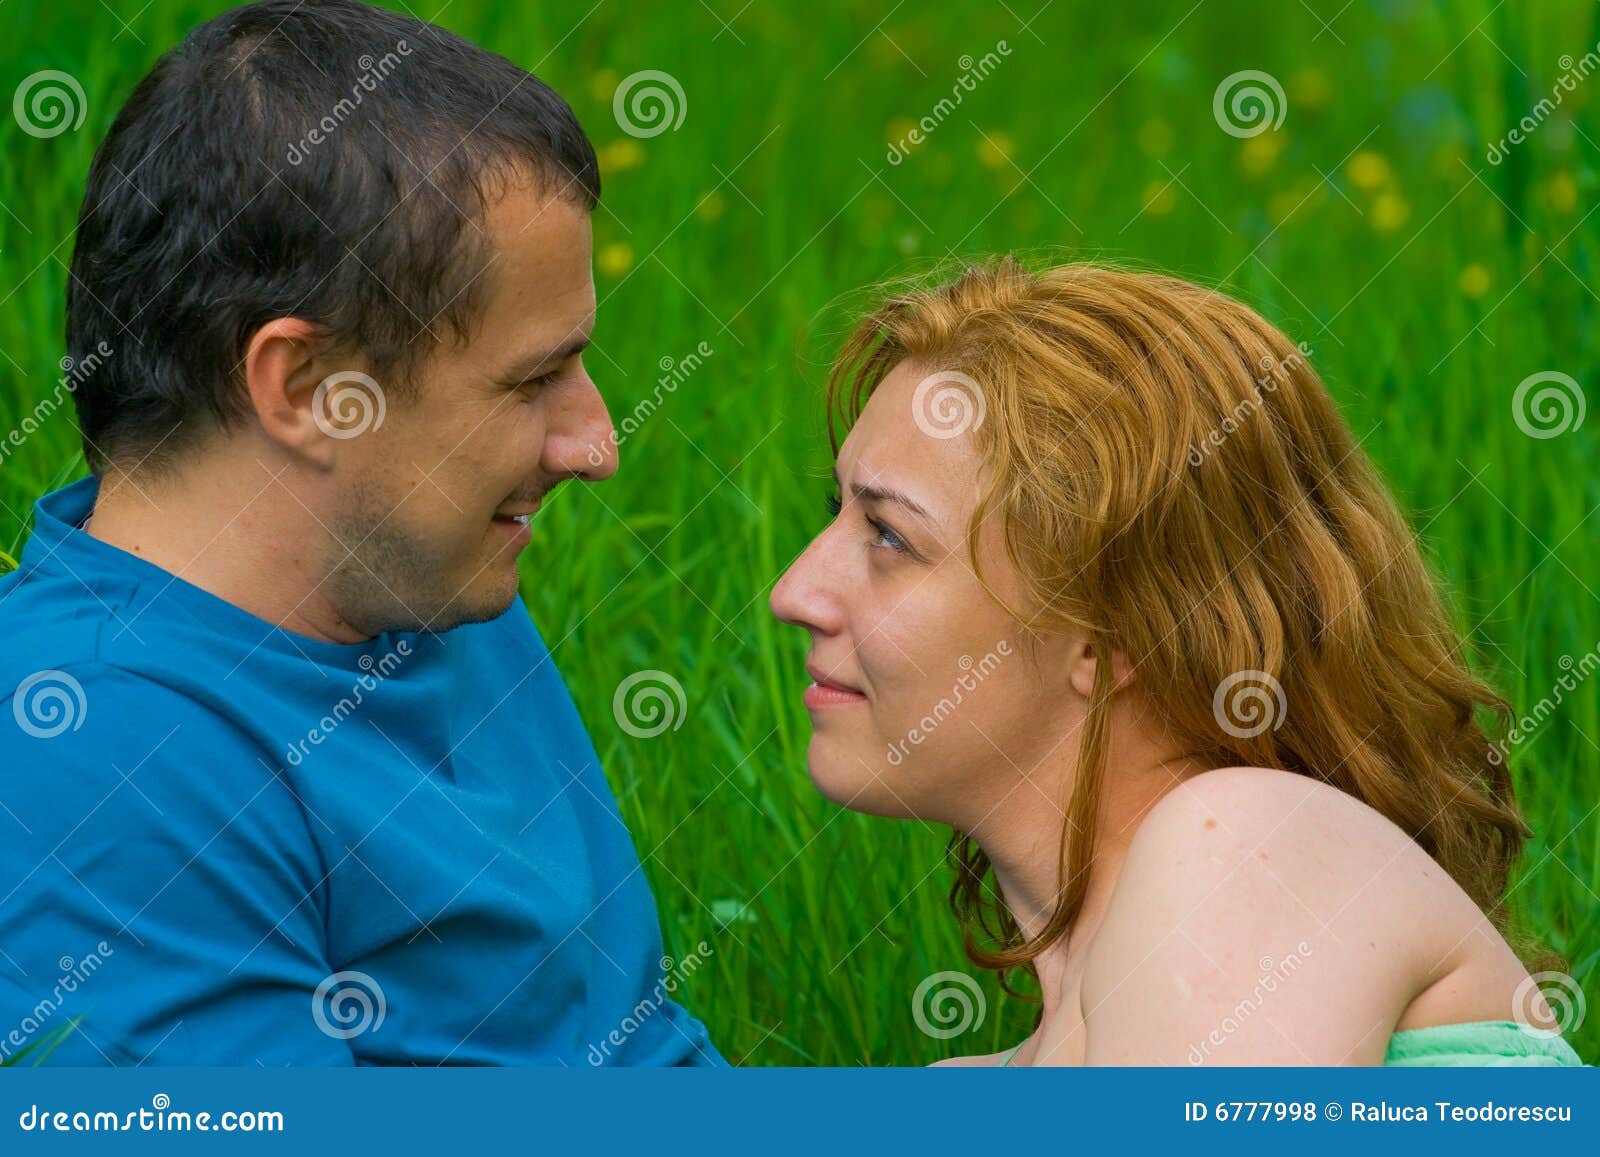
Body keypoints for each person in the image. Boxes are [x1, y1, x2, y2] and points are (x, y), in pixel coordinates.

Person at [0, 0, 721, 1066]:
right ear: (308, 388)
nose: (595, 445)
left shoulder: (417, 578)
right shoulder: (101, 764)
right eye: (532, 380)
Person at [770, 258, 1583, 1067]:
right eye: (836, 511)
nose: (793, 591)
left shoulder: (1246, 842)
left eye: (889, 535)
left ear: (1110, 637)